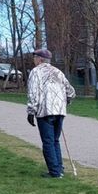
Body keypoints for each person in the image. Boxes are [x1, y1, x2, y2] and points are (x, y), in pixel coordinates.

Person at [26, 48, 75, 178]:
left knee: (48, 141)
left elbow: (33, 93)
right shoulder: (58, 72)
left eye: (35, 57)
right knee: (55, 140)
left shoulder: (36, 72)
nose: (34, 60)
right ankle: (59, 169)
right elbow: (70, 91)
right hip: (59, 112)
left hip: (45, 111)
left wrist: (31, 111)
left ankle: (54, 172)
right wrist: (65, 102)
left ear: (40, 59)